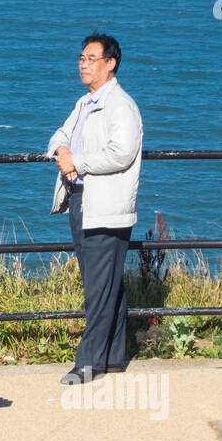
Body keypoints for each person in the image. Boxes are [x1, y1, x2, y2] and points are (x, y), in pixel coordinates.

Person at [47, 33, 142, 385]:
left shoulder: (121, 106)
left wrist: (78, 162)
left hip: (105, 204)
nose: (82, 63)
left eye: (91, 58)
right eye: (81, 57)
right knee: (105, 284)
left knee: (98, 288)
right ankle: (113, 357)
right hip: (82, 201)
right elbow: (60, 134)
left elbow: (122, 152)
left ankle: (87, 364)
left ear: (110, 63)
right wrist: (62, 152)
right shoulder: (85, 103)